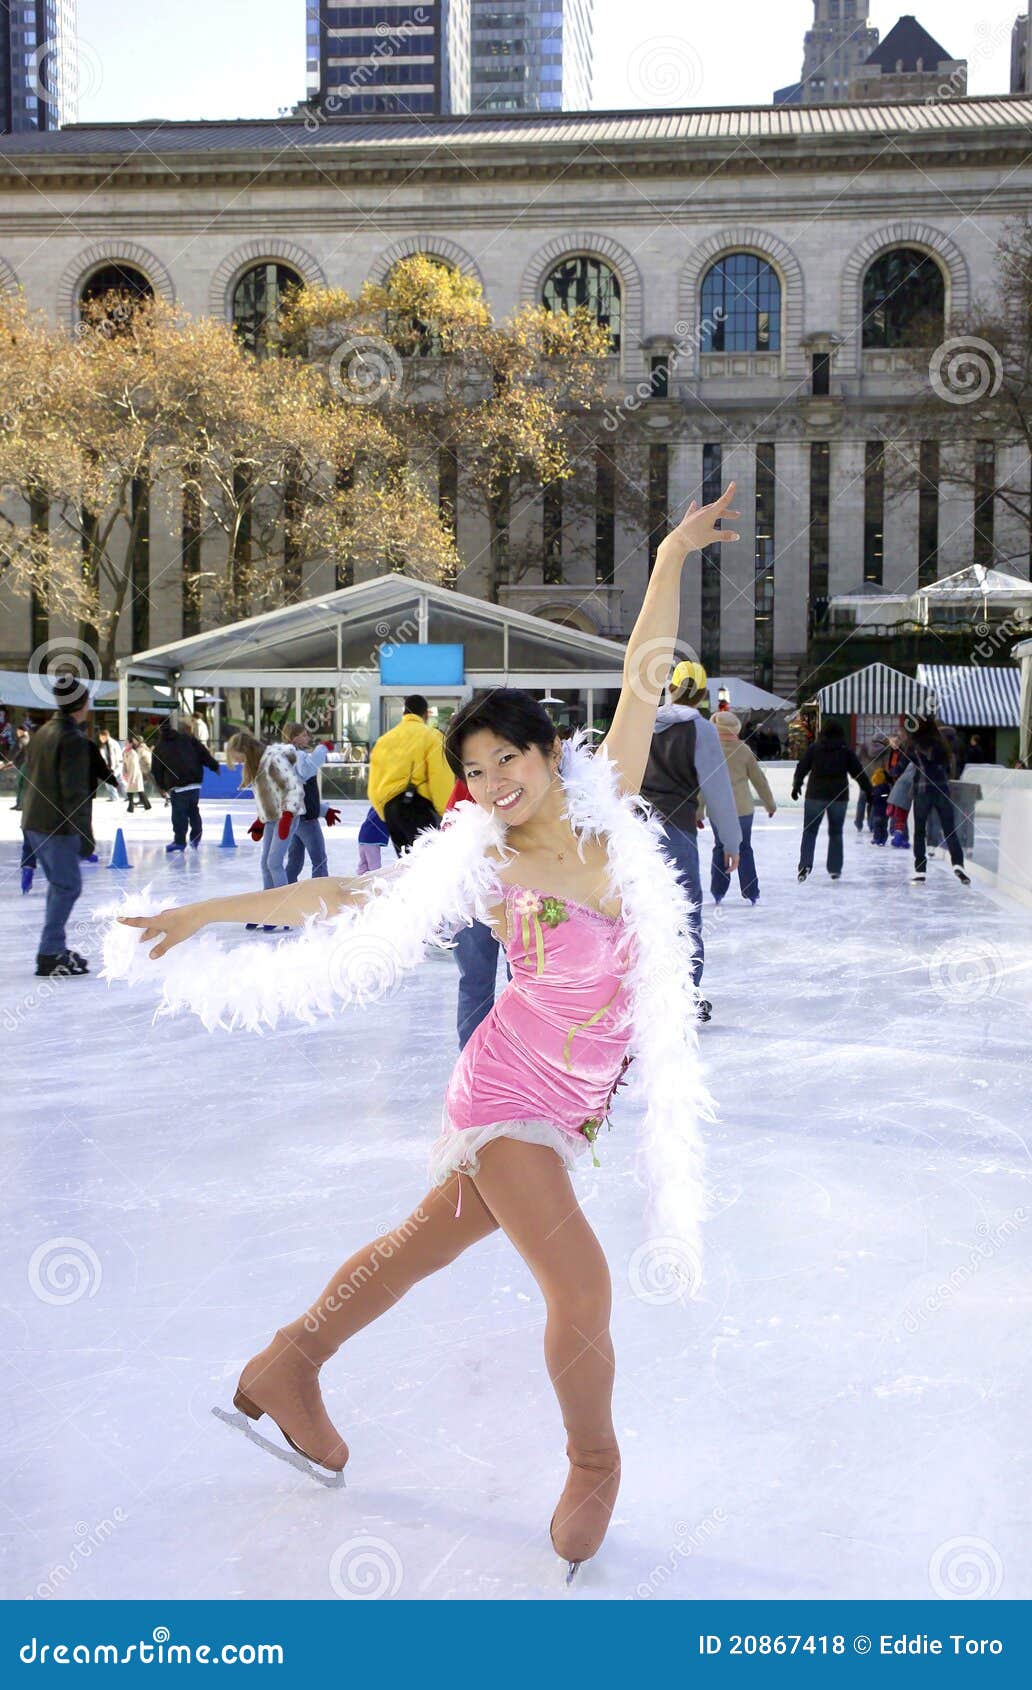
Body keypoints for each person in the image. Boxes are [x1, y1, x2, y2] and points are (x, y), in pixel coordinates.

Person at [114, 483, 741, 1578]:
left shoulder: (607, 822)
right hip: (507, 1093)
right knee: (582, 1288)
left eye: (511, 760)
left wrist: (674, 554)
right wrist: (204, 911)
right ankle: (594, 1459)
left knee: (418, 1246)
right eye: (478, 770)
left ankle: (288, 1362)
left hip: (574, 1102)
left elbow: (644, 667)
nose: (494, 782)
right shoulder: (483, 865)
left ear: (552, 756)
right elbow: (345, 901)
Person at [639, 658, 741, 1021]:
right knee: (685, 915)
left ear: (670, 689)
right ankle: (686, 995)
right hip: (675, 830)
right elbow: (717, 790)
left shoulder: (644, 723)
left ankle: (639, 997)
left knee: (639, 915)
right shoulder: (701, 729)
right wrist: (731, 841)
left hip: (634, 832)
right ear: (701, 695)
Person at [20, 673, 95, 977]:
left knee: (61, 886)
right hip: (55, 826)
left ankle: (53, 948)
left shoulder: (42, 732)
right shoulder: (72, 739)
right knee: (67, 886)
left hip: (34, 821)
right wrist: (85, 834)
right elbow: (74, 791)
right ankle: (50, 954)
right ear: (81, 703)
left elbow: (30, 780)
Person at [702, 710, 776, 905]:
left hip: (718, 810)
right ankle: (751, 891)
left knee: (720, 847)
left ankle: (718, 891)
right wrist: (769, 803)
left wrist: (697, 811)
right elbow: (759, 781)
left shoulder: (709, 751)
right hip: (743, 810)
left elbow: (703, 784)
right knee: (744, 848)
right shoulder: (743, 750)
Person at [367, 694, 453, 855]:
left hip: (390, 809)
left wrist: (383, 812)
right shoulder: (432, 736)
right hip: (419, 807)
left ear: (404, 713)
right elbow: (440, 777)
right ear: (425, 714)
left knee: (405, 864)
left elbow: (373, 784)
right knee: (428, 863)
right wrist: (445, 812)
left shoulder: (384, 740)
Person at [224, 730, 305, 894]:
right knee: (265, 863)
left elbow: (294, 788)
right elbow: (270, 795)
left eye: (238, 757)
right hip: (272, 819)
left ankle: (283, 906)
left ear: (246, 750)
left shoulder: (274, 759)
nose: (239, 762)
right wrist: (260, 820)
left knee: (274, 862)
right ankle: (268, 902)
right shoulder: (257, 764)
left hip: (287, 817)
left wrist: (287, 816)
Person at [792, 720, 874, 882]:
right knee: (836, 833)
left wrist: (797, 785)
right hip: (839, 797)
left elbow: (802, 767)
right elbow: (858, 772)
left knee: (809, 831)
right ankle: (835, 869)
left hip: (815, 795)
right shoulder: (845, 751)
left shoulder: (814, 749)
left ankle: (805, 865)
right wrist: (869, 791)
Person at [905, 716, 970, 885]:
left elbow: (907, 764)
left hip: (922, 790)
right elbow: (949, 768)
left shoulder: (915, 744)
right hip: (942, 790)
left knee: (920, 831)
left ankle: (920, 870)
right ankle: (958, 863)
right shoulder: (943, 745)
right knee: (949, 829)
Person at [280, 723, 341, 884]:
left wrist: (323, 810)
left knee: (295, 861)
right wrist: (323, 748)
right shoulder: (298, 755)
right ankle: (320, 892)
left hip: (294, 817)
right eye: (305, 734)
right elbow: (308, 771)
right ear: (295, 738)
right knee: (319, 859)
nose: (308, 737)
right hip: (305, 819)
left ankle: (283, 891)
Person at [151, 717, 219, 851]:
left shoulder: (159, 747)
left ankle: (180, 842)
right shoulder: (187, 739)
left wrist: (162, 787)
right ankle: (195, 837)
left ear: (159, 729)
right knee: (193, 810)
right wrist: (213, 765)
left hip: (177, 786)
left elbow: (156, 770)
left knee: (179, 815)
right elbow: (202, 752)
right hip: (194, 783)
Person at [122, 736, 152, 814]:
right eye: (125, 742)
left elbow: (135, 767)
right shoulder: (125, 752)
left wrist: (133, 778)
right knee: (138, 792)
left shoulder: (133, 753)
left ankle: (130, 809)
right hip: (129, 774)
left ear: (131, 744)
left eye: (127, 743)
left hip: (135, 775)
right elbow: (124, 764)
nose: (125, 744)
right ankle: (147, 806)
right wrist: (124, 772)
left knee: (133, 792)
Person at [356, 805, 389, 875]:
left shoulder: (376, 802)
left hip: (363, 835)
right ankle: (375, 884)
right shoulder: (386, 805)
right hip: (371, 838)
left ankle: (358, 882)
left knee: (363, 864)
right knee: (375, 867)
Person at [95, 726, 122, 801]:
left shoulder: (112, 743)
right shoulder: (104, 744)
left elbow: (114, 756)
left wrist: (113, 768)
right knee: (118, 781)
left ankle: (115, 797)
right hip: (110, 766)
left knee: (111, 781)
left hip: (116, 765)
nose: (100, 739)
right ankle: (118, 796)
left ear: (106, 736)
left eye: (101, 737)